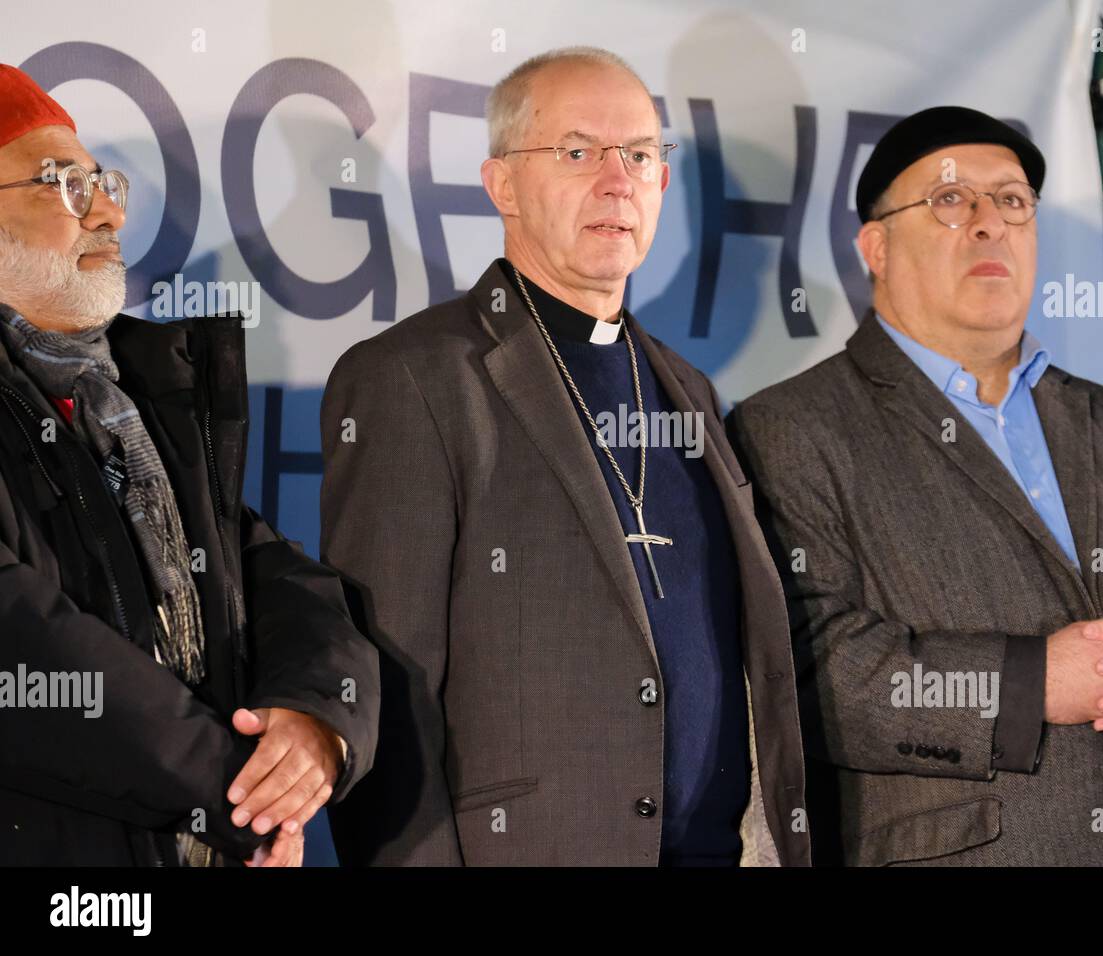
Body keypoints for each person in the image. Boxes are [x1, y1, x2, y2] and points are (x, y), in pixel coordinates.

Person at [728, 105, 1103, 866]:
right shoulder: (788, 428)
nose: (990, 223)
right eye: (952, 200)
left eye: (1013, 200)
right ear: (876, 247)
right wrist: (1030, 684)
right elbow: (809, 669)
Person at [321, 46, 808, 866]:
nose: (617, 180)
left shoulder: (689, 389)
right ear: (502, 184)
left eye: (641, 156)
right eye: (578, 152)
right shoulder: (414, 378)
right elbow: (386, 700)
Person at [0, 64, 379, 866]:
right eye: (61, 184)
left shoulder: (144, 390)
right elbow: (21, 647)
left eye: (101, 181)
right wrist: (240, 789)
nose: (105, 210)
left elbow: (270, 576)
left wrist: (314, 726)